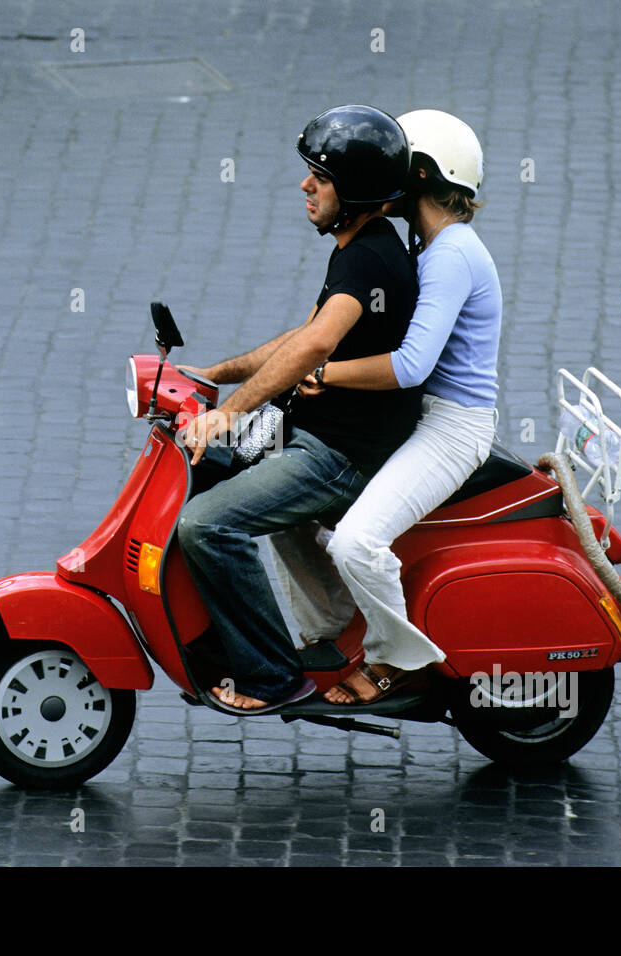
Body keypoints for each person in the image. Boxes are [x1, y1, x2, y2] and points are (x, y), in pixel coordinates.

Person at [177, 105, 421, 714]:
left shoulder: (369, 260)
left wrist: (226, 413)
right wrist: (209, 376)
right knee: (217, 481)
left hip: (339, 457)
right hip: (318, 439)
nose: (305, 185)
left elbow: (314, 345)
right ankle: (329, 636)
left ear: (357, 190)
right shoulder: (361, 248)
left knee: (206, 524)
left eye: (320, 176)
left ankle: (269, 677)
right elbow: (304, 334)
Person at [269, 109, 503, 705]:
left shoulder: (451, 254)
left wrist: (323, 371)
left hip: (451, 429)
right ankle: (328, 629)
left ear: (419, 174)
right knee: (287, 502)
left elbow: (411, 365)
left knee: (355, 543)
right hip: (422, 418)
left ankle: (396, 659)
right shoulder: (427, 245)